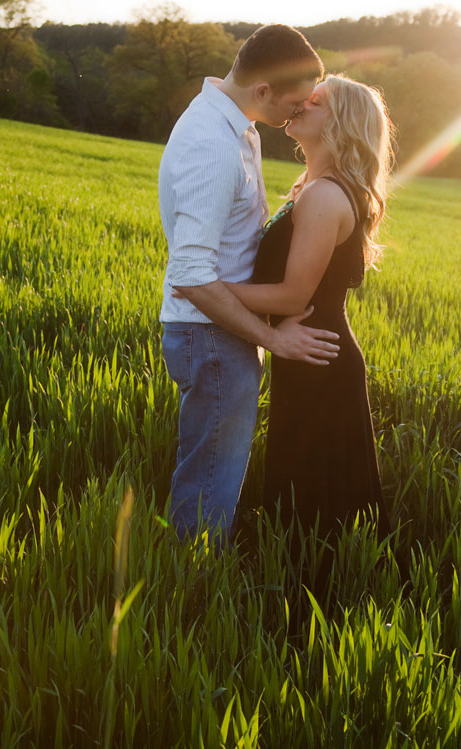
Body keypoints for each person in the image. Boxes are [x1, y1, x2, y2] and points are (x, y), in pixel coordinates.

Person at [173, 74, 408, 598]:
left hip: (316, 352)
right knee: (306, 474)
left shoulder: (325, 196)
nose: (300, 104)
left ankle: (319, 597)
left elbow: (289, 296)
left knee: (317, 480)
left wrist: (206, 287)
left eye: (315, 101)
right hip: (306, 348)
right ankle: (303, 582)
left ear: (340, 123)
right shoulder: (311, 185)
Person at [158, 25, 340, 549]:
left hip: (219, 331)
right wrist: (274, 339)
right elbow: (190, 274)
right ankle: (189, 589)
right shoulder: (211, 143)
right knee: (210, 479)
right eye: (293, 101)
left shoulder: (239, 127)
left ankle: (188, 577)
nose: (297, 112)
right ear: (262, 91)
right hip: (212, 336)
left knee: (212, 469)